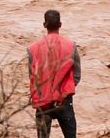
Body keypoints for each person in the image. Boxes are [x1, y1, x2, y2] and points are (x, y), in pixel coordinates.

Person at [28, 9, 82, 138]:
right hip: (64, 102)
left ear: (44, 25)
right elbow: (77, 76)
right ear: (60, 24)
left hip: (42, 102)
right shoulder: (71, 46)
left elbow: (32, 76)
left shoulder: (32, 49)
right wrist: (63, 93)